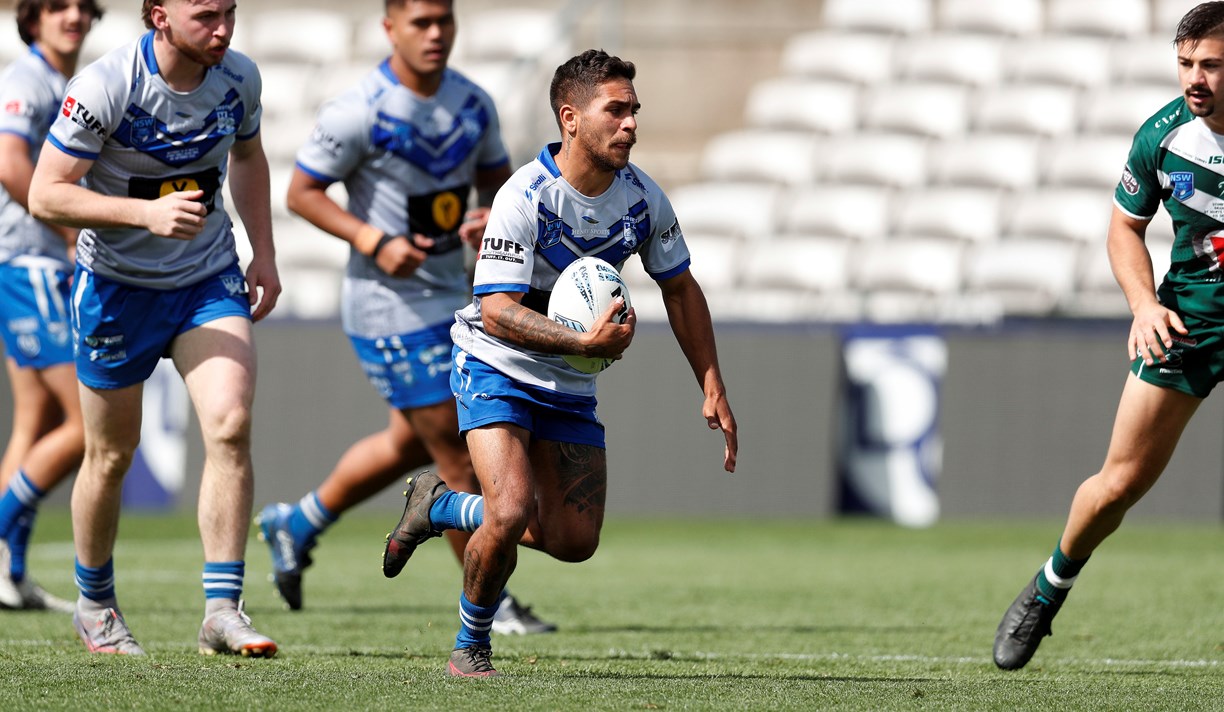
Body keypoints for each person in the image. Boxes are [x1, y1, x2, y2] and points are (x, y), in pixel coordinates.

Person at [381, 48, 739, 677]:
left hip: (569, 383)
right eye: (616, 110)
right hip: (495, 365)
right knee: (510, 511)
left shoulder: (642, 199)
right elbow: (496, 310)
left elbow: (680, 288)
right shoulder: (525, 194)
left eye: (634, 110)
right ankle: (471, 646)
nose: (631, 123)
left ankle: (439, 505)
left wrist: (712, 384)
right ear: (570, 118)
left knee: (575, 542)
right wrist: (582, 344)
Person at [256, 0, 554, 634]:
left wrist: (488, 220)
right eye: (421, 22)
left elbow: (502, 190)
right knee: (457, 451)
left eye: (444, 20)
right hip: (386, 305)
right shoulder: (358, 109)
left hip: (453, 297)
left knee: (409, 443)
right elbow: (302, 193)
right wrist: (372, 240)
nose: (436, 33)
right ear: (389, 27)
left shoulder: (473, 104)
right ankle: (491, 601)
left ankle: (296, 523)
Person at [27, 0, 281, 657]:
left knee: (230, 424)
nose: (223, 29)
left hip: (206, 278)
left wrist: (264, 251)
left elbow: (249, 157)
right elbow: (45, 193)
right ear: (160, 15)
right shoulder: (105, 86)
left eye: (229, 12)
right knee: (110, 455)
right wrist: (144, 216)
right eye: (206, 16)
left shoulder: (240, 77)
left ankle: (222, 611)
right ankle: (95, 607)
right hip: (117, 288)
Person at [993, 1, 1224, 671]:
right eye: (1185, 64)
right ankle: (1049, 588)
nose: (1194, 78)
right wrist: (1144, 306)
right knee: (1119, 483)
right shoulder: (1164, 137)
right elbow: (1125, 227)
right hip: (1191, 321)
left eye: (1211, 65)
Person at [0, 0, 100, 613]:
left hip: (38, 264)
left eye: (83, 6)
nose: (74, 16)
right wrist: (67, 230)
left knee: (34, 423)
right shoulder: (28, 80)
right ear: (32, 18)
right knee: (87, 424)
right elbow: (10, 163)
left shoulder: (70, 83)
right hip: (31, 264)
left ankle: (9, 574)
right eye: (58, 6)